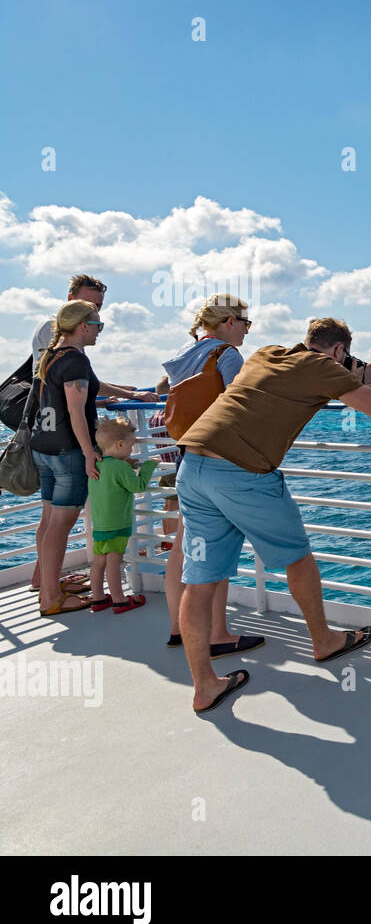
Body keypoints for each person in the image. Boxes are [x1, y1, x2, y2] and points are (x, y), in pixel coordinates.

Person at [176, 317, 371, 713]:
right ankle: (324, 641)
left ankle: (205, 686)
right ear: (340, 350)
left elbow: (277, 393)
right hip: (241, 470)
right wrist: (357, 380)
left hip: (193, 465)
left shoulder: (266, 353)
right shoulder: (324, 366)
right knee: (297, 557)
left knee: (200, 580)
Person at [28, 273, 158, 597]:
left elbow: (70, 391)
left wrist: (110, 394)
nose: (101, 328)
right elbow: (74, 408)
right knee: (61, 523)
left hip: (43, 444)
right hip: (65, 449)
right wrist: (89, 452)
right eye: (97, 323)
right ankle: (51, 597)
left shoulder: (54, 353)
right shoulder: (73, 358)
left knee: (50, 520)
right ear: (82, 325)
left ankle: (44, 584)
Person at [159, 294, 265, 658]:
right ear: (229, 322)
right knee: (215, 546)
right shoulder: (227, 355)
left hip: (185, 455)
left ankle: (178, 626)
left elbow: (166, 393)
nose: (247, 331)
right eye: (246, 324)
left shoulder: (184, 354)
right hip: (217, 457)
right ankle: (217, 633)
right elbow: (242, 406)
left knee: (184, 544)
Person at [85, 417, 157, 613]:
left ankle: (98, 598)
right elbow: (138, 486)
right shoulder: (121, 467)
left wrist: (127, 463)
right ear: (120, 444)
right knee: (114, 562)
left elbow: (113, 477)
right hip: (117, 524)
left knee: (99, 561)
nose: (131, 450)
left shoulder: (96, 466)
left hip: (100, 524)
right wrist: (148, 467)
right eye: (131, 446)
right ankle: (119, 600)